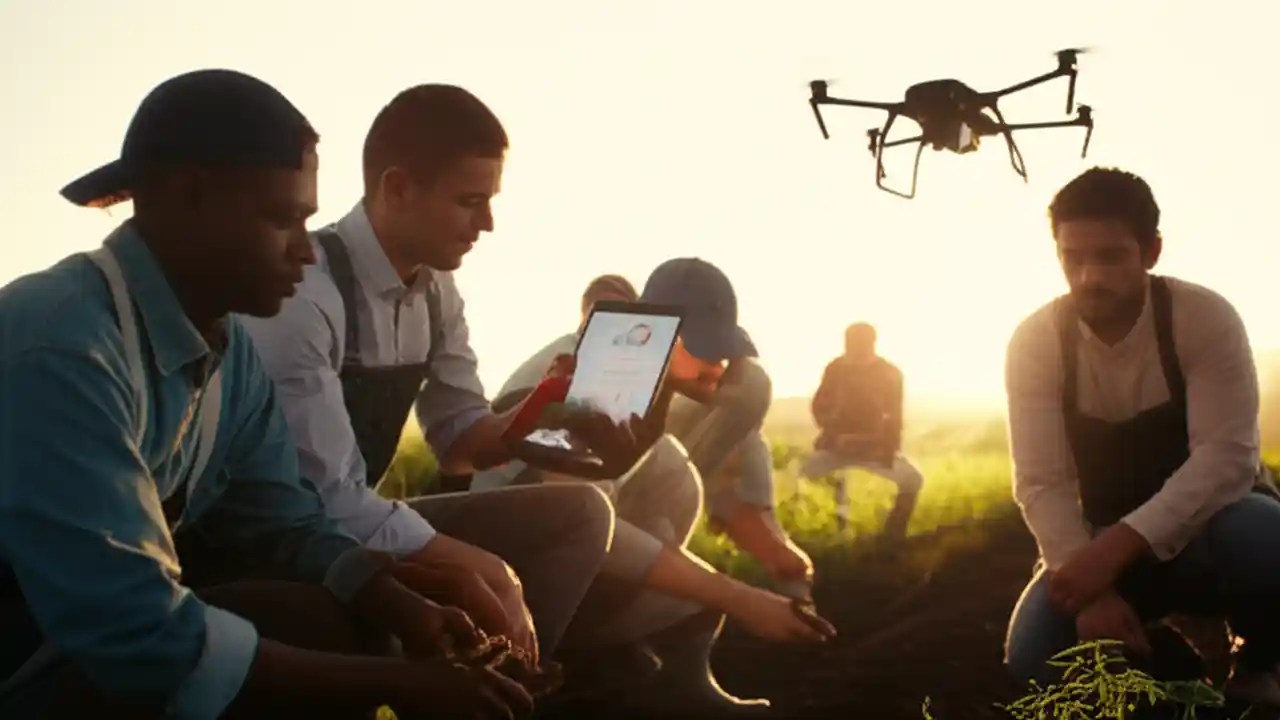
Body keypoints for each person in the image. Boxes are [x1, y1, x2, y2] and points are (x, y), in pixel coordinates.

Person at [0, 69, 537, 720]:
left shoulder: (231, 354)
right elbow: (129, 628)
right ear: (191, 198)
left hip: (92, 644)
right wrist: (396, 684)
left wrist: (403, 604)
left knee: (348, 614)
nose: (305, 254)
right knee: (325, 635)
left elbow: (286, 522)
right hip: (26, 660)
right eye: (283, 220)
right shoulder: (65, 345)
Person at [237, 84, 620, 674]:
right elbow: (324, 501)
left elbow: (461, 443)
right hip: (283, 539)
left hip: (356, 519)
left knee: (584, 514)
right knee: (472, 582)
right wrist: (487, 569)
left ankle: (505, 685)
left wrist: (550, 408)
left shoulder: (437, 291)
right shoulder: (306, 294)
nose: (487, 223)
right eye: (470, 201)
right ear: (396, 188)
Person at [475, 261, 834, 717]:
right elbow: (582, 522)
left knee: (674, 475)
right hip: (502, 562)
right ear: (664, 332)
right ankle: (545, 667)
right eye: (707, 348)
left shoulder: (643, 371)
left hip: (559, 540)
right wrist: (739, 597)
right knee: (639, 526)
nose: (720, 364)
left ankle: (652, 668)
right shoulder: (603, 374)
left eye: (724, 349)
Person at [1001, 167, 1280, 709]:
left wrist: (1111, 553)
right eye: (1072, 258)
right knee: (1034, 659)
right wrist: (1092, 590)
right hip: (1101, 546)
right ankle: (1160, 667)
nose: (1089, 277)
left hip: (1208, 534)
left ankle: (1258, 659)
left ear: (1151, 251)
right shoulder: (1037, 340)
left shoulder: (1203, 317)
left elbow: (1225, 460)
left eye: (1110, 257)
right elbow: (1041, 482)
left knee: (1264, 536)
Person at [801, 322, 924, 540]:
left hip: (875, 449)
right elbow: (819, 406)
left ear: (872, 344)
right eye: (850, 345)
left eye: (859, 345)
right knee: (803, 475)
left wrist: (876, 445)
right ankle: (836, 526)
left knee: (913, 479)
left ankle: (893, 536)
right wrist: (835, 435)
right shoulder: (836, 368)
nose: (854, 350)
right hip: (836, 447)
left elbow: (894, 419)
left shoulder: (890, 373)